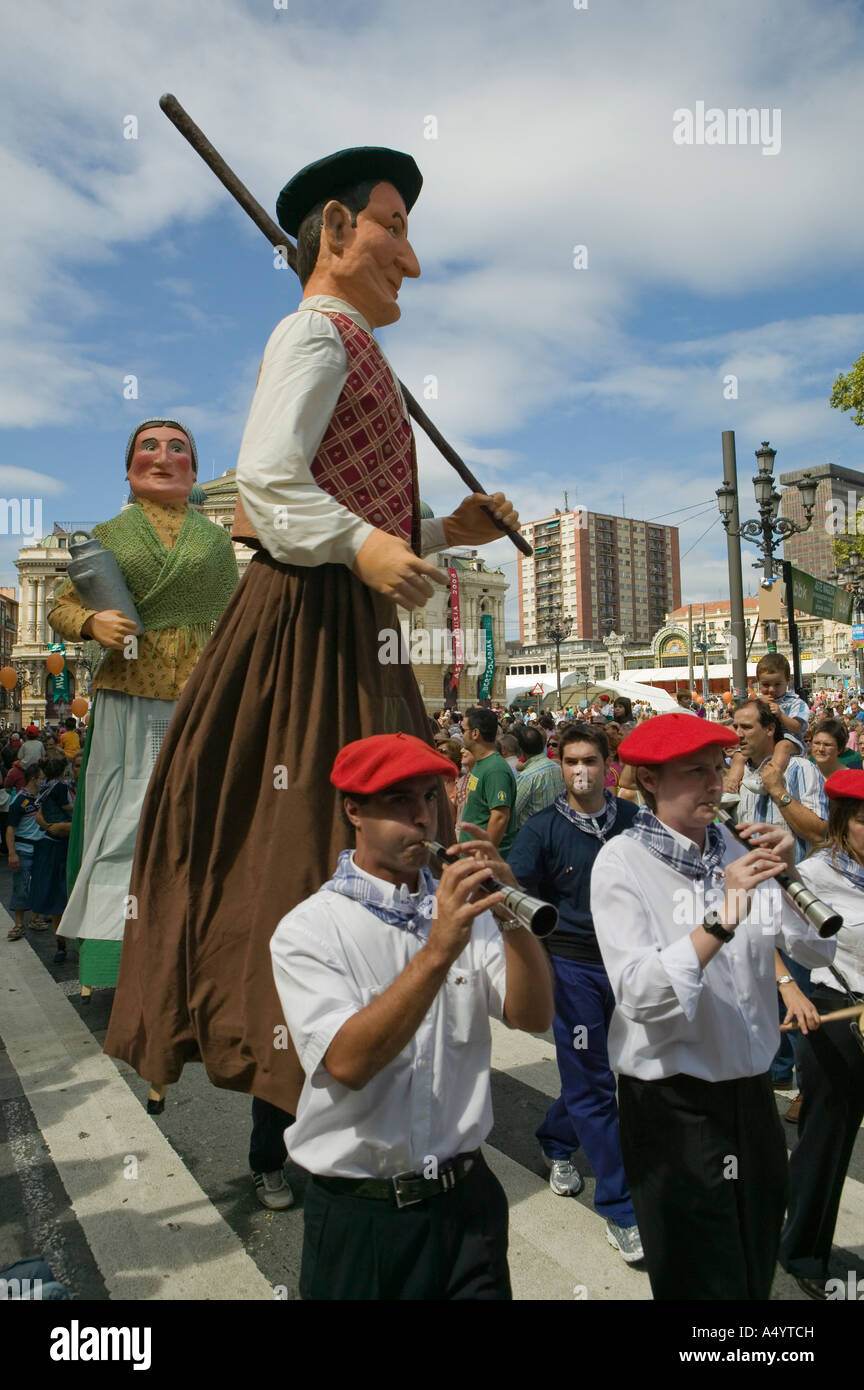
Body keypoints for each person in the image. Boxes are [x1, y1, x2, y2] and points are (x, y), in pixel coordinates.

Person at [104, 148, 520, 1207]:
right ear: (335, 229)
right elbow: (270, 484)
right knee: (299, 846)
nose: (412, 263)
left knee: (380, 837)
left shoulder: (353, 348)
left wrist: (437, 530)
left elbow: (342, 506)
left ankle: (373, 1058)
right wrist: (366, 549)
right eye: (393, 230)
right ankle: (293, 1085)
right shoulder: (312, 331)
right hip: (306, 623)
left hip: (351, 614)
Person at [269, 732, 554, 1300]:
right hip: (364, 1217)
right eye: (399, 802)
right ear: (354, 810)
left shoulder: (461, 910)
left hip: (467, 1202)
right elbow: (349, 1061)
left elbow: (534, 1015)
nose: (422, 819)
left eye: (430, 798)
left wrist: (511, 914)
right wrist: (440, 946)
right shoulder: (309, 929)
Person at [590, 713, 835, 1300]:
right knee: (701, 1280)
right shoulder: (620, 862)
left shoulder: (733, 843)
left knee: (752, 1261)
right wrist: (723, 915)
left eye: (718, 768)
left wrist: (791, 875)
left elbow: (811, 948)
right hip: (676, 1106)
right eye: (694, 773)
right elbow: (641, 993)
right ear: (648, 781)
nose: (714, 784)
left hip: (749, 1099)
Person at [49, 420, 238, 1028]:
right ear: (129, 467)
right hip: (130, 689)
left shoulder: (214, 542)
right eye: (148, 447)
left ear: (193, 468)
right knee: (124, 816)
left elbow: (232, 617)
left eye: (177, 448)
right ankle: (113, 955)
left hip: (200, 696)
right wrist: (90, 624)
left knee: (198, 821)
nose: (163, 457)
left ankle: (193, 951)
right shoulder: (108, 534)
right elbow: (61, 602)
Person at [507, 722, 642, 1261]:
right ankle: (622, 1208)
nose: (581, 771)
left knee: (613, 1072)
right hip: (572, 971)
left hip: (630, 968)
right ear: (559, 766)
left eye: (591, 760)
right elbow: (517, 900)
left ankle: (556, 1140)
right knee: (593, 1084)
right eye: (571, 762)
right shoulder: (540, 829)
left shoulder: (634, 821)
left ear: (609, 764)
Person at [779, 769, 864, 1300]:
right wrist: (792, 988)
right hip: (838, 1007)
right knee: (827, 1139)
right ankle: (803, 1248)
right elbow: (785, 944)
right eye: (863, 821)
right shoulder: (812, 876)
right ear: (840, 822)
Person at [733, 696, 828, 1112]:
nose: (738, 736)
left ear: (770, 730)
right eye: (735, 727)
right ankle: (774, 1074)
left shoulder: (801, 769)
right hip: (754, 900)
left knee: (800, 995)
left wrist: (779, 792)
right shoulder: (743, 772)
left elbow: (822, 833)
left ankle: (810, 1087)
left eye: (746, 728)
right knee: (765, 993)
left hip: (793, 901)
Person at [726, 654, 809, 793]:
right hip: (764, 743)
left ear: (787, 681)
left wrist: (781, 715)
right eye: (765, 685)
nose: (771, 689)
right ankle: (731, 784)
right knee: (739, 755)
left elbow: (798, 727)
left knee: (782, 746)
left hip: (789, 740)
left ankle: (770, 775)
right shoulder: (757, 702)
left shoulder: (796, 702)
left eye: (777, 684)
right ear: (758, 681)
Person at [460, 707, 516, 857]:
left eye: (464, 730)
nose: (461, 734)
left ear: (475, 733)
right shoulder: (481, 763)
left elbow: (499, 817)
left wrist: (483, 855)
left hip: (484, 863)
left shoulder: (495, 770)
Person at [5, 762, 46, 941]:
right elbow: (10, 829)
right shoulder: (19, 800)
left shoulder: (43, 797)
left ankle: (35, 919)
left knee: (39, 884)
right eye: (42, 778)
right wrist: (12, 853)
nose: (44, 781)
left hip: (41, 849)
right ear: (33, 779)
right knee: (20, 886)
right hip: (24, 849)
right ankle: (19, 924)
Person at [512, 724, 564, 831]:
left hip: (534, 835)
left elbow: (512, 812)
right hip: (556, 829)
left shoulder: (527, 777)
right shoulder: (557, 768)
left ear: (521, 750)